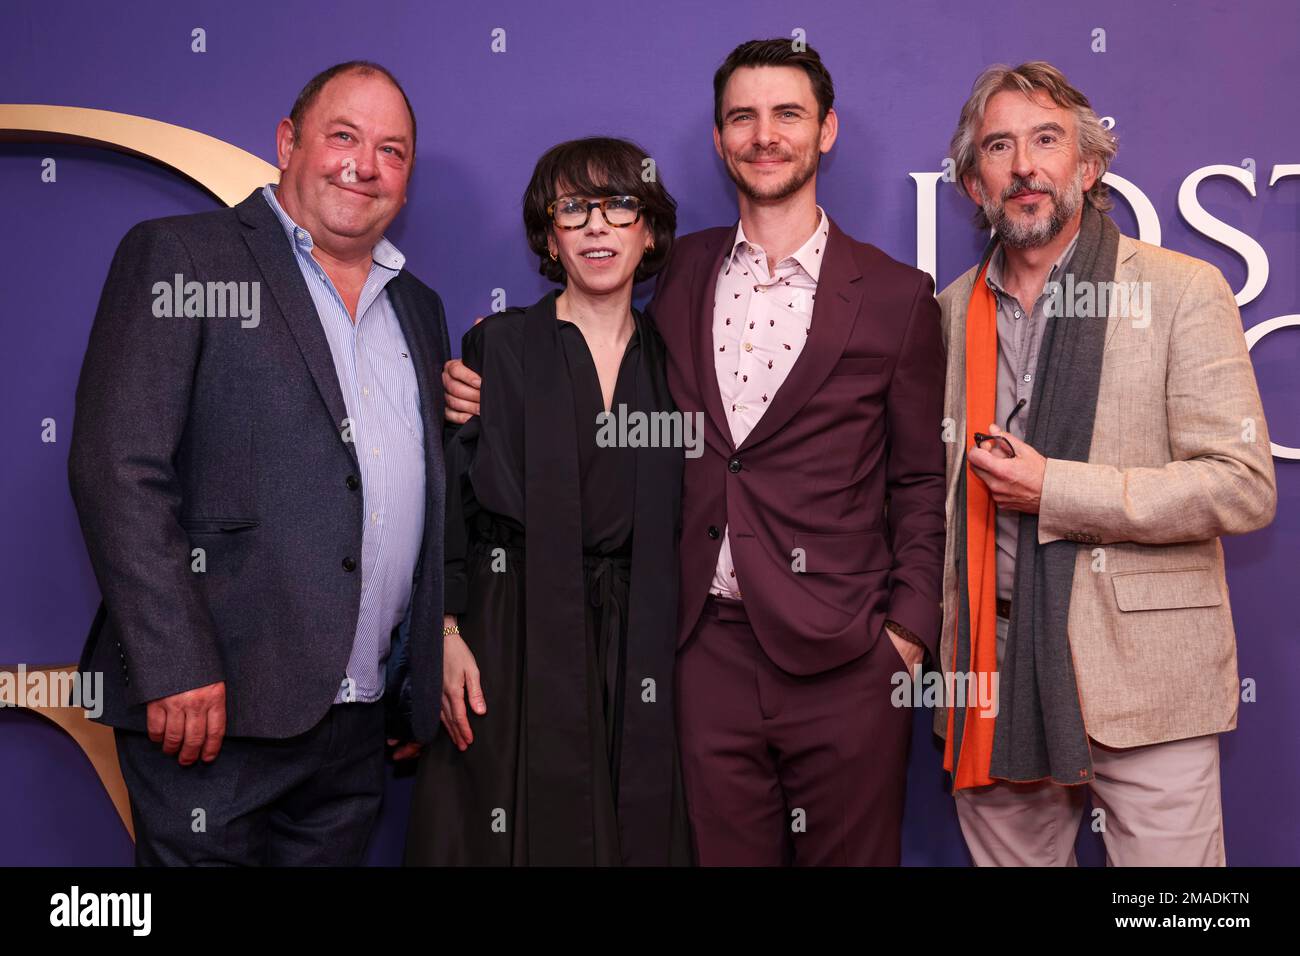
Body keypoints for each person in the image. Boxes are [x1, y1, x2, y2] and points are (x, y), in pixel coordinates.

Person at [443, 41, 947, 866]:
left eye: (787, 113)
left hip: (849, 658)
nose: (764, 134)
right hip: (697, 652)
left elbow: (921, 479)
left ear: (826, 131)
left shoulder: (896, 297)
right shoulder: (680, 276)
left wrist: (908, 634)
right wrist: (479, 391)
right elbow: (578, 367)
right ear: (718, 140)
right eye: (742, 117)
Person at [68, 61, 449, 865]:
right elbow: (117, 467)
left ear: (406, 180)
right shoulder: (184, 257)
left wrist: (411, 684)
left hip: (356, 722)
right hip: (211, 713)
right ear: (288, 141)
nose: (363, 164)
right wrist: (174, 663)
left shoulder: (419, 308)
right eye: (342, 136)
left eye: (391, 150)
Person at [935, 61, 1277, 865]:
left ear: (1087, 167)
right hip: (993, 668)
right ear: (974, 182)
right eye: (998, 146)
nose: (1023, 165)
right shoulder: (950, 311)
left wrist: (1057, 488)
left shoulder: (1182, 290)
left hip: (1146, 676)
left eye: (1046, 140)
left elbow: (1243, 484)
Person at [405, 137, 691, 866]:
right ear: (549, 236)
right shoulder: (495, 349)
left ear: (649, 231)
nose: (598, 226)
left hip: (639, 647)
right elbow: (448, 504)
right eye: (574, 209)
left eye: (620, 206)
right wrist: (443, 636)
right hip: (509, 637)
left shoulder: (681, 364)